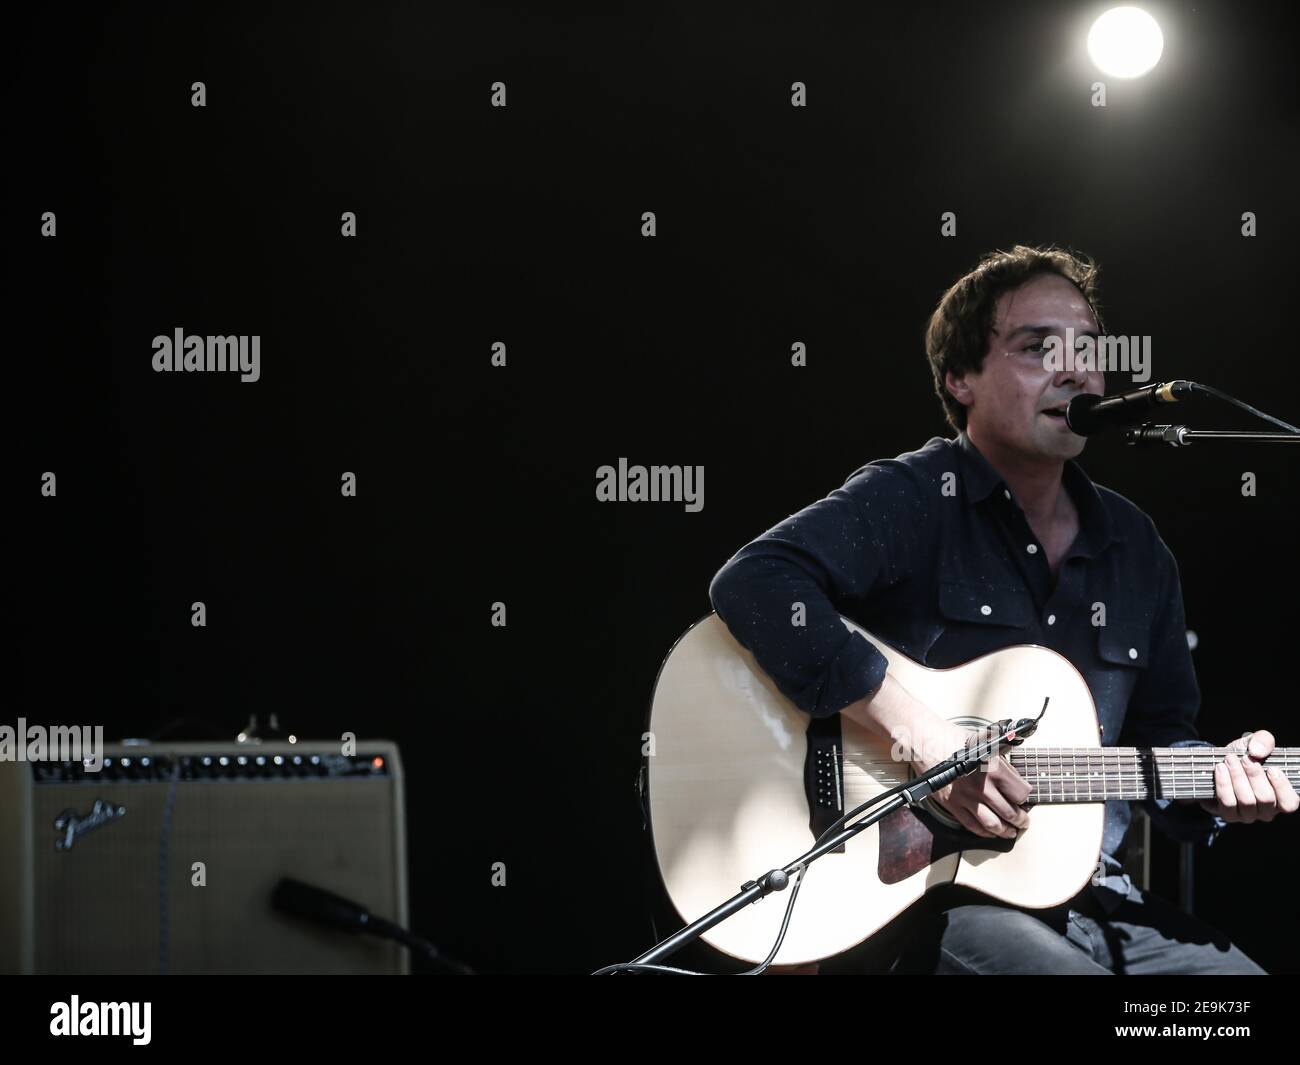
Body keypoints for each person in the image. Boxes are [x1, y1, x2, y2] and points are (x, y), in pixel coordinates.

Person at [708, 245, 1297, 974]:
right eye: (1035, 348)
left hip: (1088, 896)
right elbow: (756, 581)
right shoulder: (915, 497)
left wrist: (1218, 785)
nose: (1075, 368)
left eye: (1087, 349)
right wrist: (924, 738)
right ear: (961, 379)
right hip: (926, 896)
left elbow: (1160, 742)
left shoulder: (1136, 548)